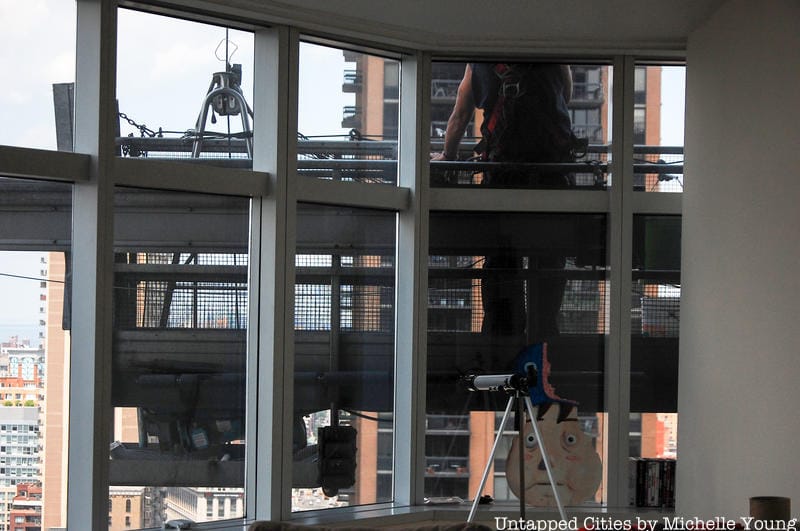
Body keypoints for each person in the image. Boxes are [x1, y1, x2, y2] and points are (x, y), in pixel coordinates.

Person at [432, 62, 576, 340]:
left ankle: (502, 336)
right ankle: (544, 334)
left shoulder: (479, 62)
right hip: (551, 175)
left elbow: (460, 115)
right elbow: (565, 97)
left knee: (501, 260)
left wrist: (447, 155)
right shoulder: (552, 51)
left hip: (503, 175)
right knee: (549, 260)